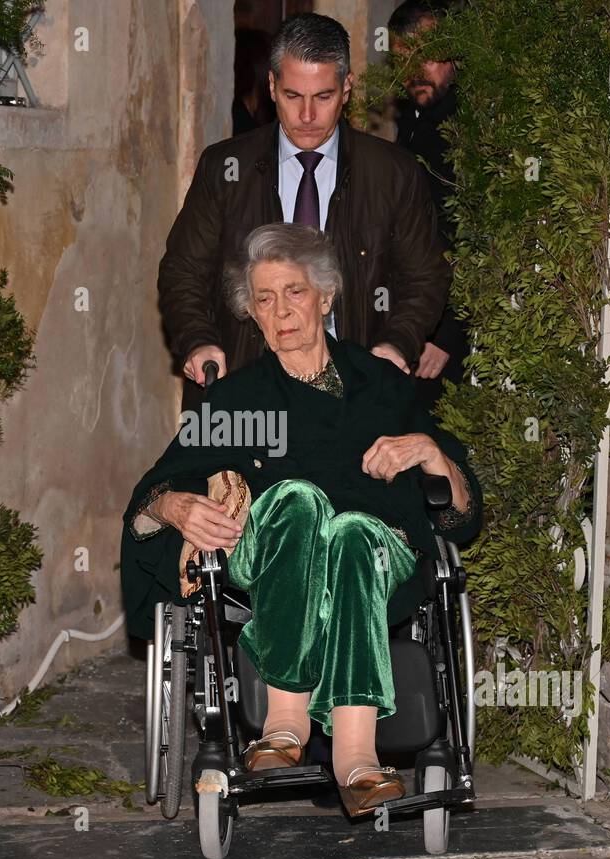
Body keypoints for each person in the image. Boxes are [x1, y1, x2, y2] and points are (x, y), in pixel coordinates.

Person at [123, 223, 482, 817]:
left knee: (352, 531)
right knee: (297, 499)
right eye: (264, 299)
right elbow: (154, 491)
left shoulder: (382, 386)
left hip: (374, 564)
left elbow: (462, 514)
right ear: (252, 315)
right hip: (270, 560)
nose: (281, 310)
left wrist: (428, 450)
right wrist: (172, 505)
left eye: (294, 292)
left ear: (326, 296)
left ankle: (355, 755)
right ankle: (285, 721)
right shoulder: (236, 401)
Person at [159, 12, 451, 413]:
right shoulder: (224, 168)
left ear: (346, 89)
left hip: (355, 397)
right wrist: (198, 340)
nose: (308, 116)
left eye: (323, 97)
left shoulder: (393, 172)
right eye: (294, 96)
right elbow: (183, 270)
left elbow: (425, 277)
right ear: (272, 86)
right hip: (247, 391)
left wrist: (395, 345)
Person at [389, 0, 470, 408]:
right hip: (411, 323)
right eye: (405, 61)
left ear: (455, 56)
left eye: (428, 57)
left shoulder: (469, 128)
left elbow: (475, 237)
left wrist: (446, 335)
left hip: (450, 340)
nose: (416, 73)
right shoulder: (411, 122)